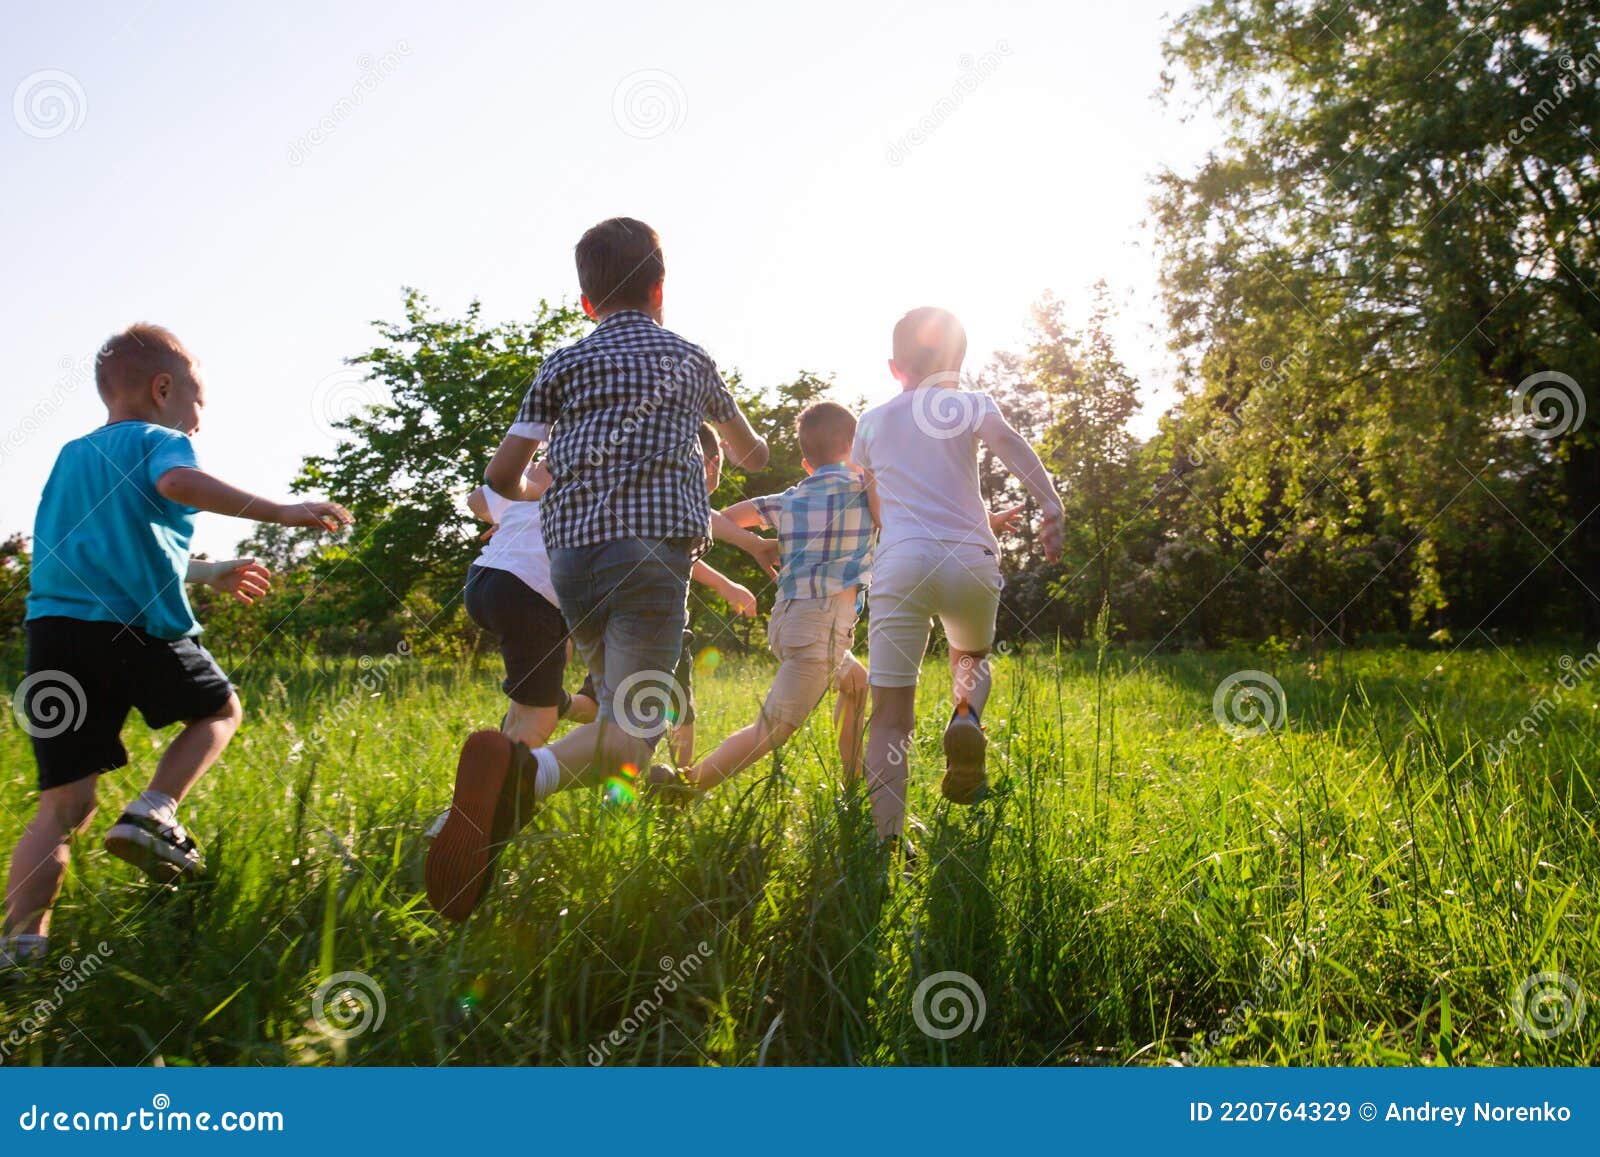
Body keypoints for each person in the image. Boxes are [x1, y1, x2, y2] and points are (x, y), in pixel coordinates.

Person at [426, 217, 772, 921]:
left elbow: (501, 476)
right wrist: (744, 447)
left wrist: (551, 481)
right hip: (652, 558)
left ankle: (503, 799)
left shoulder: (562, 364)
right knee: (636, 735)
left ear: (586, 301)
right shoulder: (689, 359)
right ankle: (523, 777)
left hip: (574, 562)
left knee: (616, 713)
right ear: (660, 288)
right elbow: (750, 455)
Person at [2, 324, 351, 966]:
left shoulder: (72, 455)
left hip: (53, 637)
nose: (198, 422)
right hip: (131, 628)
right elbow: (176, 486)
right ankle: (154, 811)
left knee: (65, 806)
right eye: (199, 404)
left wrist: (205, 571)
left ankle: (20, 947)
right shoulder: (162, 440)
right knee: (220, 711)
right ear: (164, 389)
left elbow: (107, 546)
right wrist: (282, 509)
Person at [852, 307, 1063, 843]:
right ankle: (965, 715)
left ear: (895, 366)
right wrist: (1050, 502)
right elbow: (1010, 444)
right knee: (970, 658)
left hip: (900, 563)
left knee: (890, 719)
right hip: (970, 559)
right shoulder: (970, 404)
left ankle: (886, 843)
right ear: (958, 365)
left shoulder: (871, 422)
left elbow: (872, 503)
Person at [669, 402, 872, 797]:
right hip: (821, 626)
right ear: (853, 445)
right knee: (774, 729)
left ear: (806, 463)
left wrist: (761, 543)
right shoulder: (864, 491)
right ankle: (684, 787)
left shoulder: (790, 499)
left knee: (857, 684)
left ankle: (854, 785)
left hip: (790, 622)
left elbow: (720, 515)